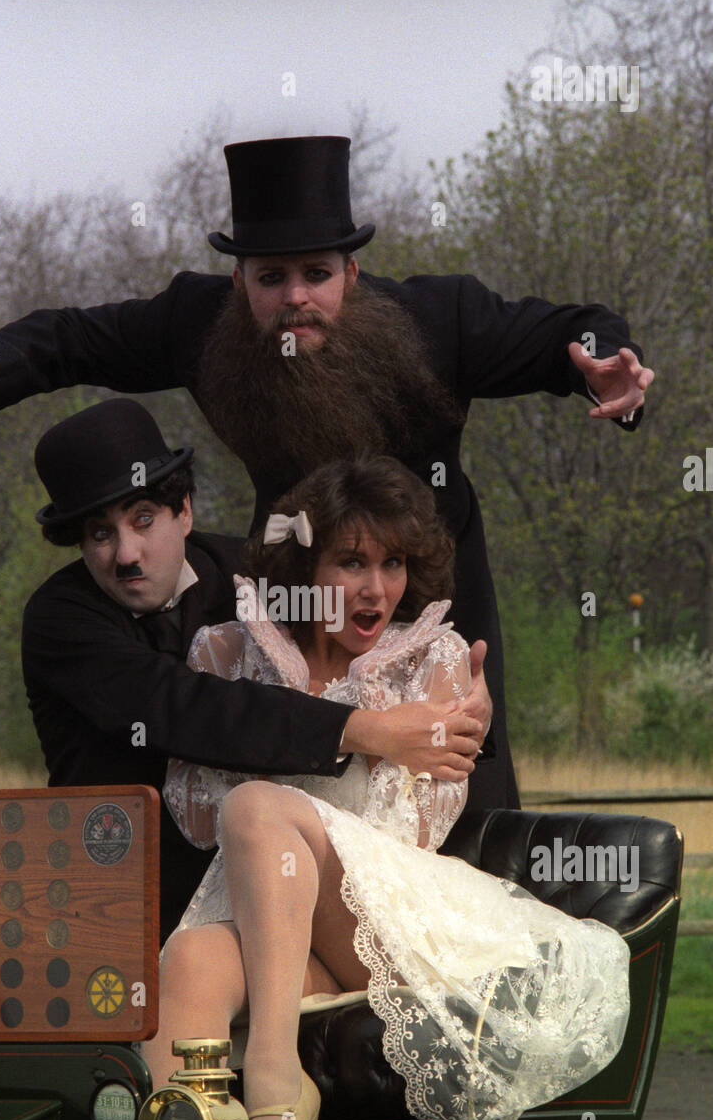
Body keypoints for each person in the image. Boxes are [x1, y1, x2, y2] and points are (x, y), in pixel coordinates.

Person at [0, 137, 655, 820]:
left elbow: (568, 328)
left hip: (431, 605)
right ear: (239, 282)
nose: (295, 296)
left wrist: (602, 367)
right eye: (271, 277)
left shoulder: (438, 319)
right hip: (297, 602)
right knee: (306, 807)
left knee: (463, 805)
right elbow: (76, 338)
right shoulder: (201, 328)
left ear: (352, 273)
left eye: (316, 274)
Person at [144, 454, 630, 1120]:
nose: (376, 590)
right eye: (351, 562)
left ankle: (274, 1079)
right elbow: (195, 815)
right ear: (304, 564)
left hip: (393, 920)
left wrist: (452, 732)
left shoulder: (430, 659)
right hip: (286, 931)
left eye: (393, 564)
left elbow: (420, 826)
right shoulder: (226, 652)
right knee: (190, 961)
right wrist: (292, 713)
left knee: (256, 804)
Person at [24, 398, 490, 937]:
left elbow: (383, 629)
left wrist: (470, 702)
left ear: (186, 511)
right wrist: (364, 731)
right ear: (79, 544)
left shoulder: (249, 575)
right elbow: (188, 707)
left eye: (144, 520)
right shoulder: (59, 619)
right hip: (115, 887)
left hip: (272, 885)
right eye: (101, 534)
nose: (127, 553)